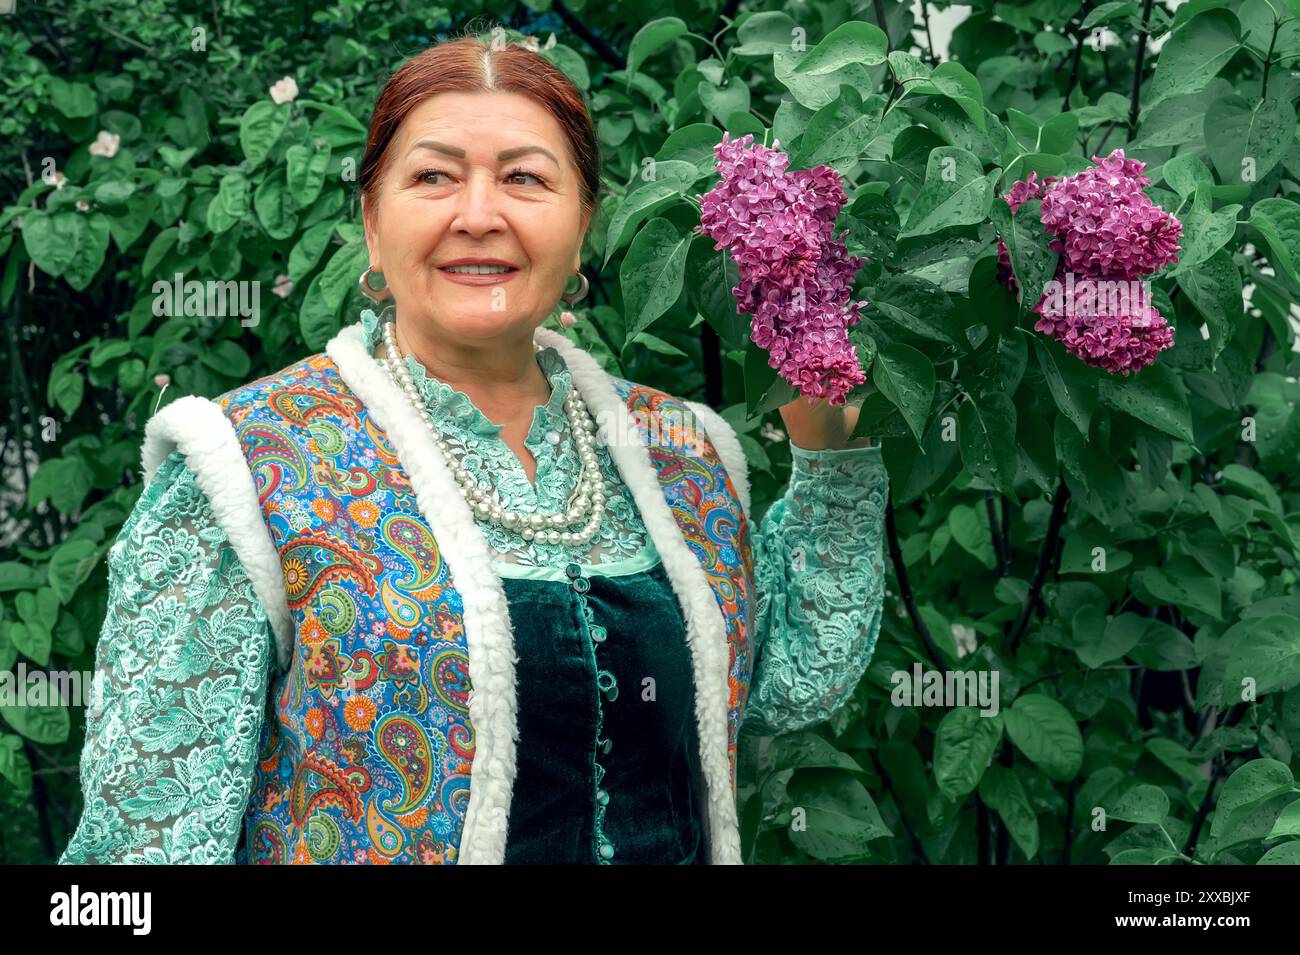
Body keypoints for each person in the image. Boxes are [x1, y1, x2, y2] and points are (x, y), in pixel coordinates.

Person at [58, 32, 889, 865]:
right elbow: (144, 840)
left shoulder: (680, 453)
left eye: (526, 178)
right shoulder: (248, 461)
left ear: (583, 226)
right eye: (433, 177)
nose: (480, 214)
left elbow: (782, 683)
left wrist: (830, 449)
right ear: (373, 224)